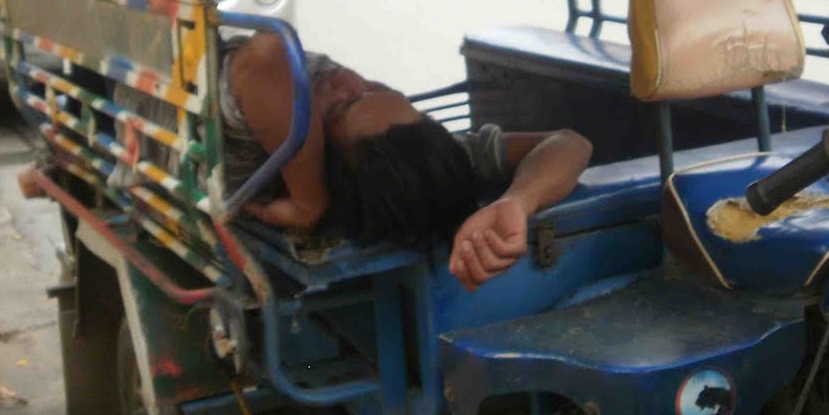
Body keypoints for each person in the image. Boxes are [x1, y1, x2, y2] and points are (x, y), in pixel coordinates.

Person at [223, 32, 591, 290]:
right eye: (377, 89)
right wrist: (517, 202)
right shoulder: (422, 157)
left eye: (343, 106)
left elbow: (266, 55)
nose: (349, 79)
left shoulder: (260, 146)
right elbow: (571, 143)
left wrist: (308, 200)